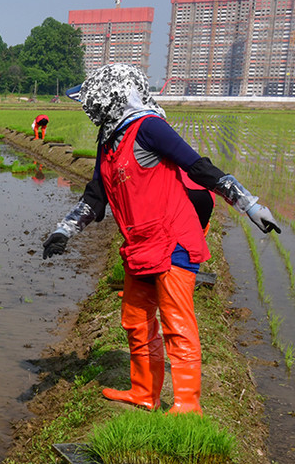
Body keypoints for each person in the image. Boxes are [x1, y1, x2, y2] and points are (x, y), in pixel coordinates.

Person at [42, 63, 280, 415]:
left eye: (92, 99)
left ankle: (187, 405)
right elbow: (96, 195)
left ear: (114, 95)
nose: (88, 106)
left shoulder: (149, 127)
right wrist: (65, 230)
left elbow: (198, 166)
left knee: (176, 323)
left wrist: (248, 203)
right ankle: (144, 392)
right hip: (139, 245)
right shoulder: (108, 140)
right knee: (135, 320)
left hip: (173, 241)